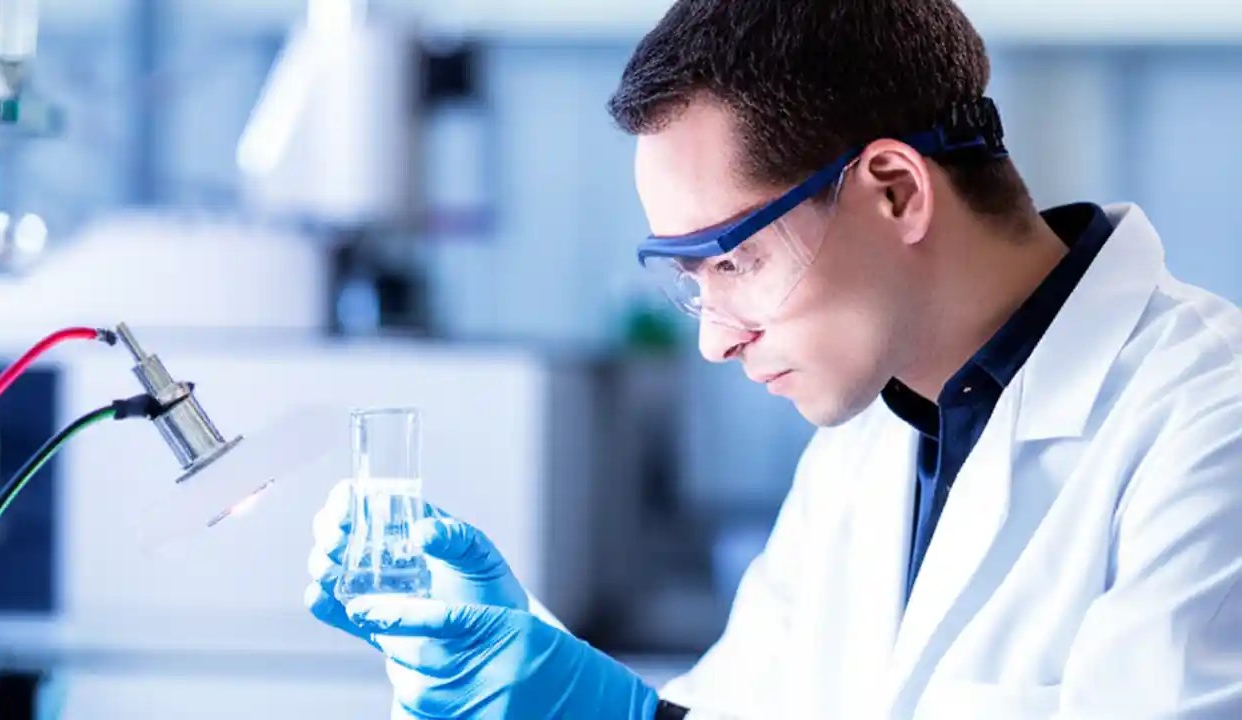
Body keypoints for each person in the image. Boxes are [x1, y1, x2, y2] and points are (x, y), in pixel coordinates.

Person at [305, 0, 1242, 716]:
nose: (714, 337)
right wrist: (551, 676)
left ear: (893, 190)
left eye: (737, 258)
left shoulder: (1208, 426)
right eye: (691, 275)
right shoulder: (867, 439)